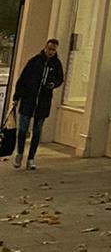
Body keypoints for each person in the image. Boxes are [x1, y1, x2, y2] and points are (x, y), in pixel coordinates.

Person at [12, 38, 64, 171]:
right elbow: (23, 79)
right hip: (28, 100)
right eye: (49, 48)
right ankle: (19, 154)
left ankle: (30, 158)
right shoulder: (35, 61)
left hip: (43, 101)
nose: (51, 52)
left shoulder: (56, 64)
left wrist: (53, 84)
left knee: (37, 131)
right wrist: (16, 97)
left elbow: (60, 79)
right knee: (23, 129)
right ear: (45, 47)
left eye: (53, 49)